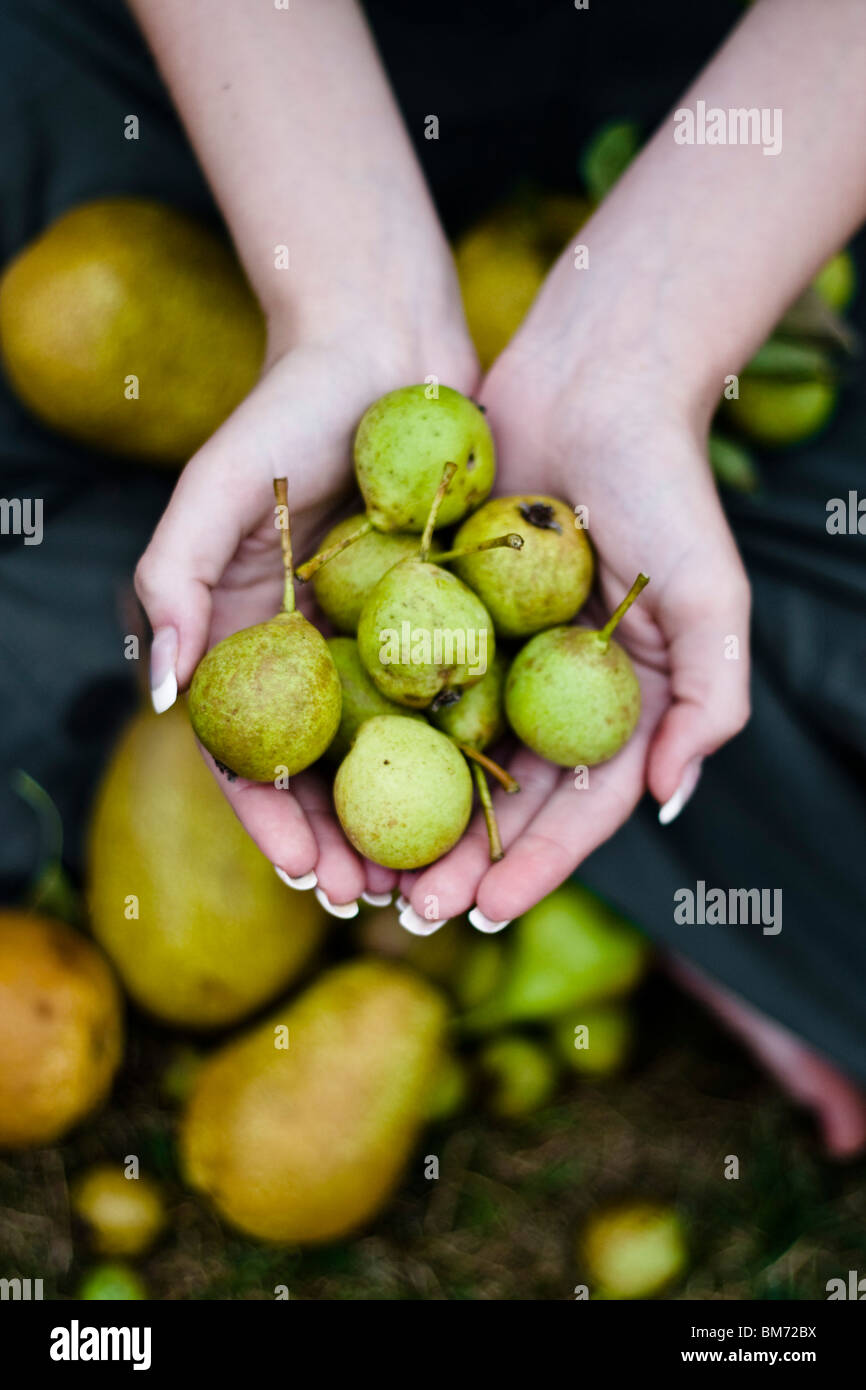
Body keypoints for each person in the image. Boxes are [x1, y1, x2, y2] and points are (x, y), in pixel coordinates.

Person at [2, 0, 865, 1153]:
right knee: (56, 299)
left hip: (723, 144)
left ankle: (689, 868)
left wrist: (646, 352)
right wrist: (345, 303)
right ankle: (693, 864)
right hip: (255, 109)